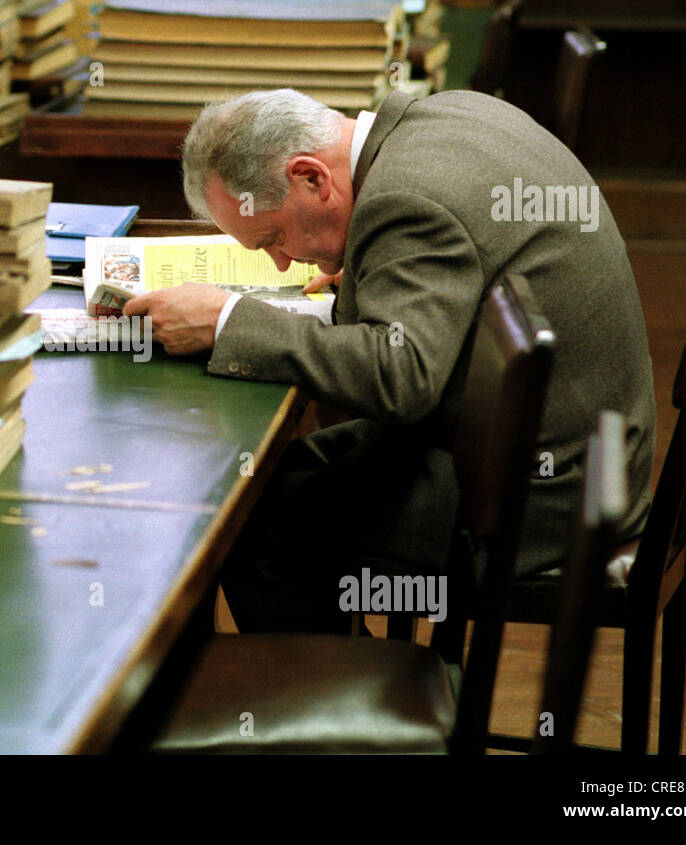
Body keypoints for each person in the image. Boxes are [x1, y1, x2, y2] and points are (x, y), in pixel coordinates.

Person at [123, 88, 656, 633]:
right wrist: (365, 277)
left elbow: (402, 378)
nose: (282, 260)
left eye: (274, 237)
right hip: (583, 451)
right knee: (265, 483)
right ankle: (339, 679)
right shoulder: (436, 117)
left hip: (548, 494)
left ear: (312, 177)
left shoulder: (407, 201)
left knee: (251, 529)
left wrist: (226, 321)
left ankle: (334, 707)